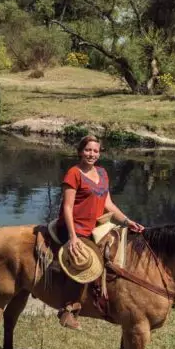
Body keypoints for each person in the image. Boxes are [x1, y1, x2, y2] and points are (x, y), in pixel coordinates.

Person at [56, 135, 144, 330]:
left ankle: (105, 297)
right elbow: (67, 208)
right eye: (88, 150)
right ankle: (67, 308)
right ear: (80, 151)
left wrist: (128, 221)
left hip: (94, 227)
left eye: (95, 151)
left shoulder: (103, 173)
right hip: (74, 227)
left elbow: (108, 204)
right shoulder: (73, 173)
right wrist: (72, 237)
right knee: (82, 259)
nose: (91, 154)